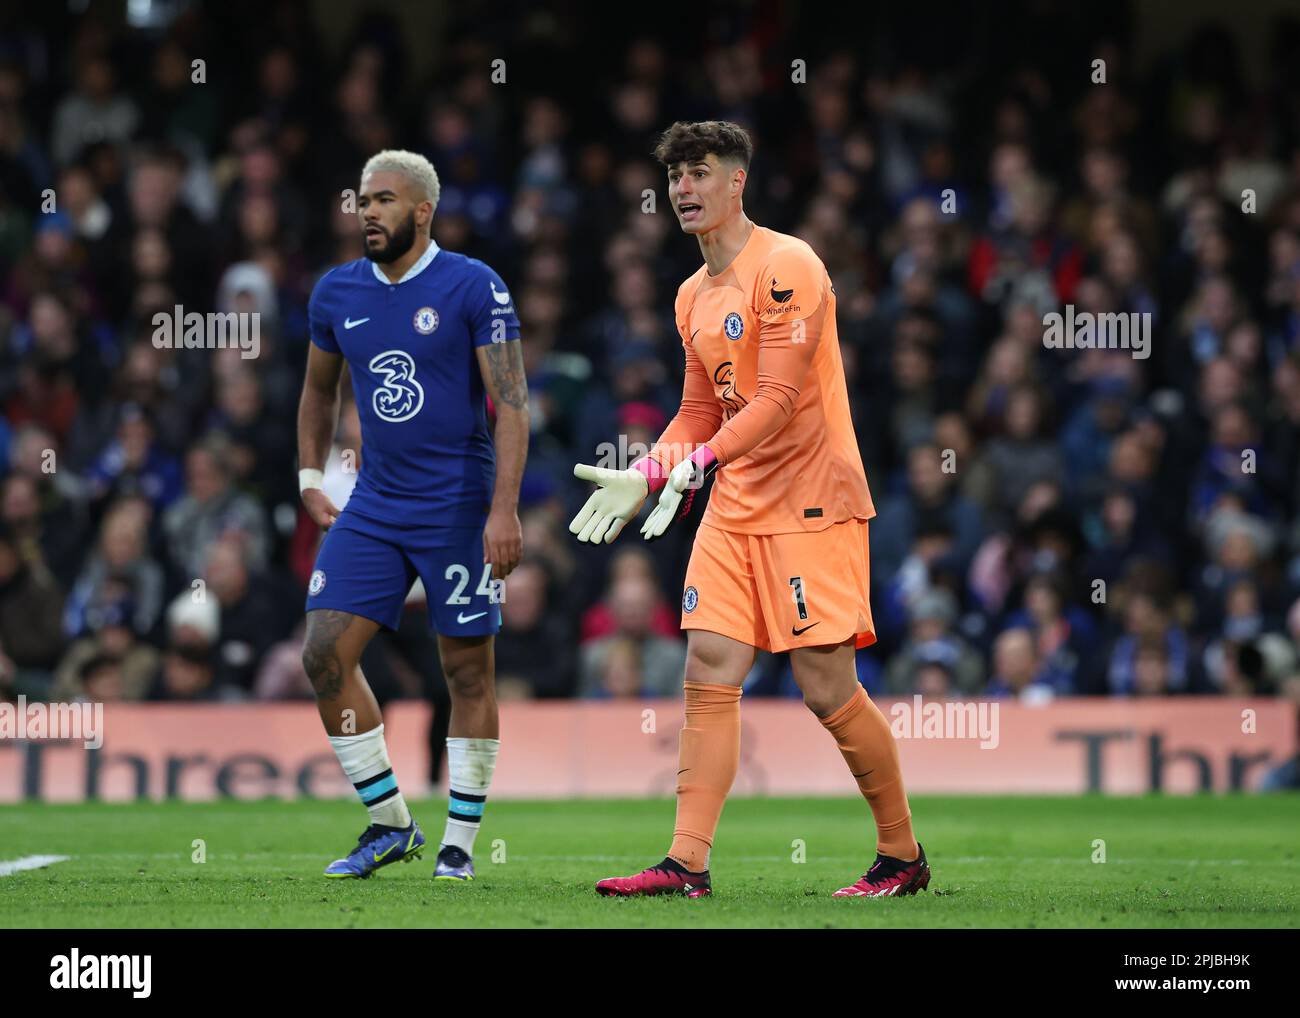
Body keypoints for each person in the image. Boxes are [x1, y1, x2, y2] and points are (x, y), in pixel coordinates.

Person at [569, 120, 929, 898]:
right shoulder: (690, 296)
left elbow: (777, 398)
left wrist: (693, 467)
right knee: (709, 665)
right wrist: (650, 468)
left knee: (826, 685)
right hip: (735, 502)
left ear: (738, 182)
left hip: (811, 500)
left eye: (699, 173)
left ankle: (902, 856)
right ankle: (686, 863)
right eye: (674, 178)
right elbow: (699, 408)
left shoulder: (789, 264)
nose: (683, 190)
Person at [297, 150, 528, 880]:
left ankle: (459, 842)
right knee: (323, 653)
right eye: (363, 199)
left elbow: (514, 406)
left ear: (422, 210)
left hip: (458, 505)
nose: (368, 212)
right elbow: (316, 392)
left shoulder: (473, 285)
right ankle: (389, 824)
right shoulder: (336, 293)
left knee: (465, 670)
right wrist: (309, 475)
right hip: (374, 502)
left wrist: (503, 511)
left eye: (385, 200)